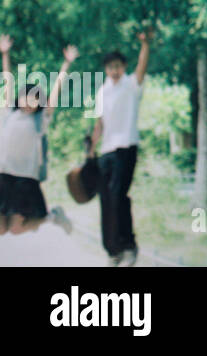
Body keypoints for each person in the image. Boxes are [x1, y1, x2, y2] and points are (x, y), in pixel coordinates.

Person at [0, 34, 77, 237]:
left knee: (17, 228)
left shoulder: (39, 121)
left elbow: (55, 93)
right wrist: (5, 53)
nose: (29, 102)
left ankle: (53, 217)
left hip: (25, 177)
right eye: (27, 96)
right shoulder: (9, 113)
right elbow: (7, 79)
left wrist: (66, 65)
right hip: (3, 174)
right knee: (1, 228)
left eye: (35, 99)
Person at [92, 27, 151, 266]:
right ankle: (113, 250)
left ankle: (129, 246)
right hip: (105, 152)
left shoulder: (130, 85)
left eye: (118, 66)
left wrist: (145, 45)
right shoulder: (102, 91)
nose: (114, 71)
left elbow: (142, 68)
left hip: (126, 148)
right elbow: (99, 124)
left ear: (123, 66)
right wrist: (90, 150)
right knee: (106, 199)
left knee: (118, 196)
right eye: (110, 67)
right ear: (106, 69)